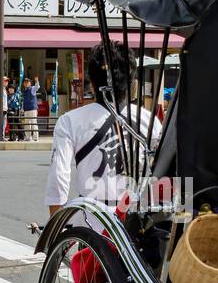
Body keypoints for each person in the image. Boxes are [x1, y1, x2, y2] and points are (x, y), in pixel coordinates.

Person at [46, 42, 162, 215]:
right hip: (137, 219)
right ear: (133, 84)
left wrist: (56, 230)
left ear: (91, 81)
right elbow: (163, 172)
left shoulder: (70, 121)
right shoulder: (149, 121)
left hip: (91, 219)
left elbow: (59, 176)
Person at [22, 76, 40, 142]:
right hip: (26, 109)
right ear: (24, 83)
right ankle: (28, 137)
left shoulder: (32, 88)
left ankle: (35, 137)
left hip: (32, 109)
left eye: (27, 82)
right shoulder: (24, 91)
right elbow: (23, 100)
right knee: (27, 124)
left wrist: (36, 81)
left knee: (33, 123)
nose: (26, 83)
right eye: (25, 82)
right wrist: (22, 108)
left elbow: (37, 87)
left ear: (30, 83)